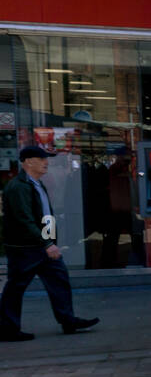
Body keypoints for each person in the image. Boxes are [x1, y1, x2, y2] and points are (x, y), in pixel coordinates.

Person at [1, 146, 99, 341]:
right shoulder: (18, 187)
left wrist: (50, 241)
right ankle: (8, 329)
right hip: (26, 248)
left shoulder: (36, 184)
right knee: (16, 287)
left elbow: (44, 215)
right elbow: (24, 219)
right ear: (28, 162)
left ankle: (68, 320)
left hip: (41, 245)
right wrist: (47, 243)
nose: (47, 162)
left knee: (58, 280)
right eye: (42, 158)